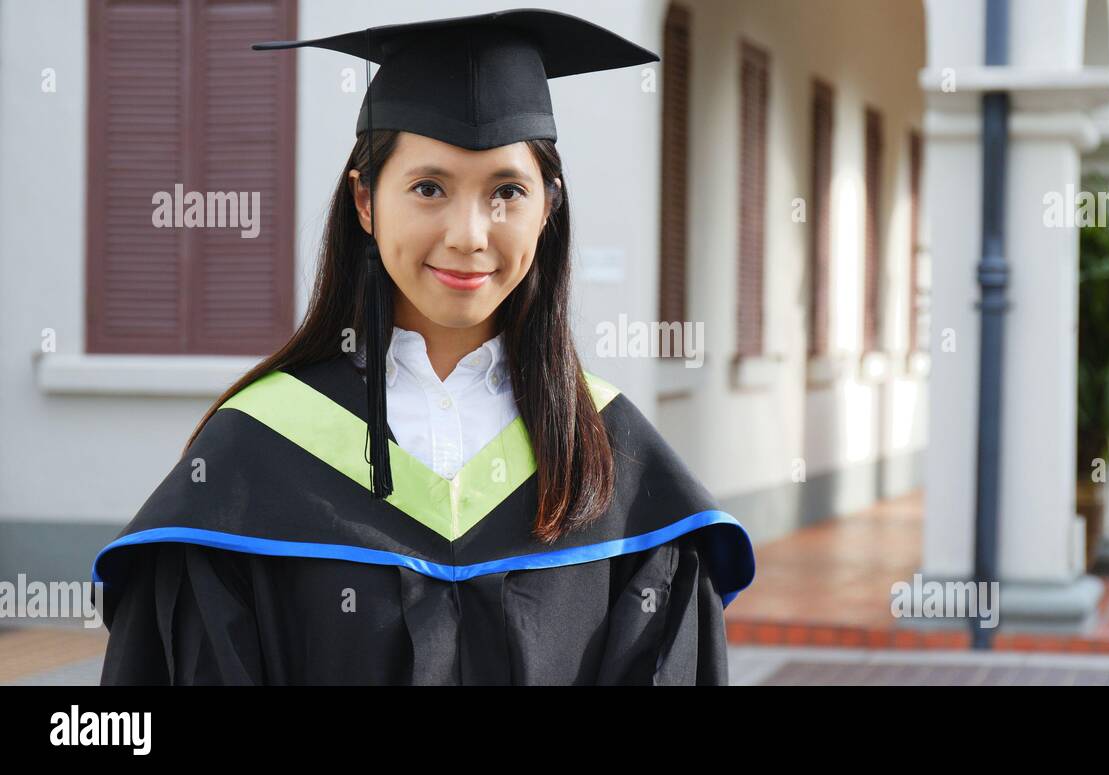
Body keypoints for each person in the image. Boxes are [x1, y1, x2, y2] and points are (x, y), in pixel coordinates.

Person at [92, 8, 755, 685]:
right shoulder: (251, 456)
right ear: (365, 200)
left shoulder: (615, 466)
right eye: (429, 187)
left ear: (548, 206)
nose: (469, 233)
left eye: (507, 191)